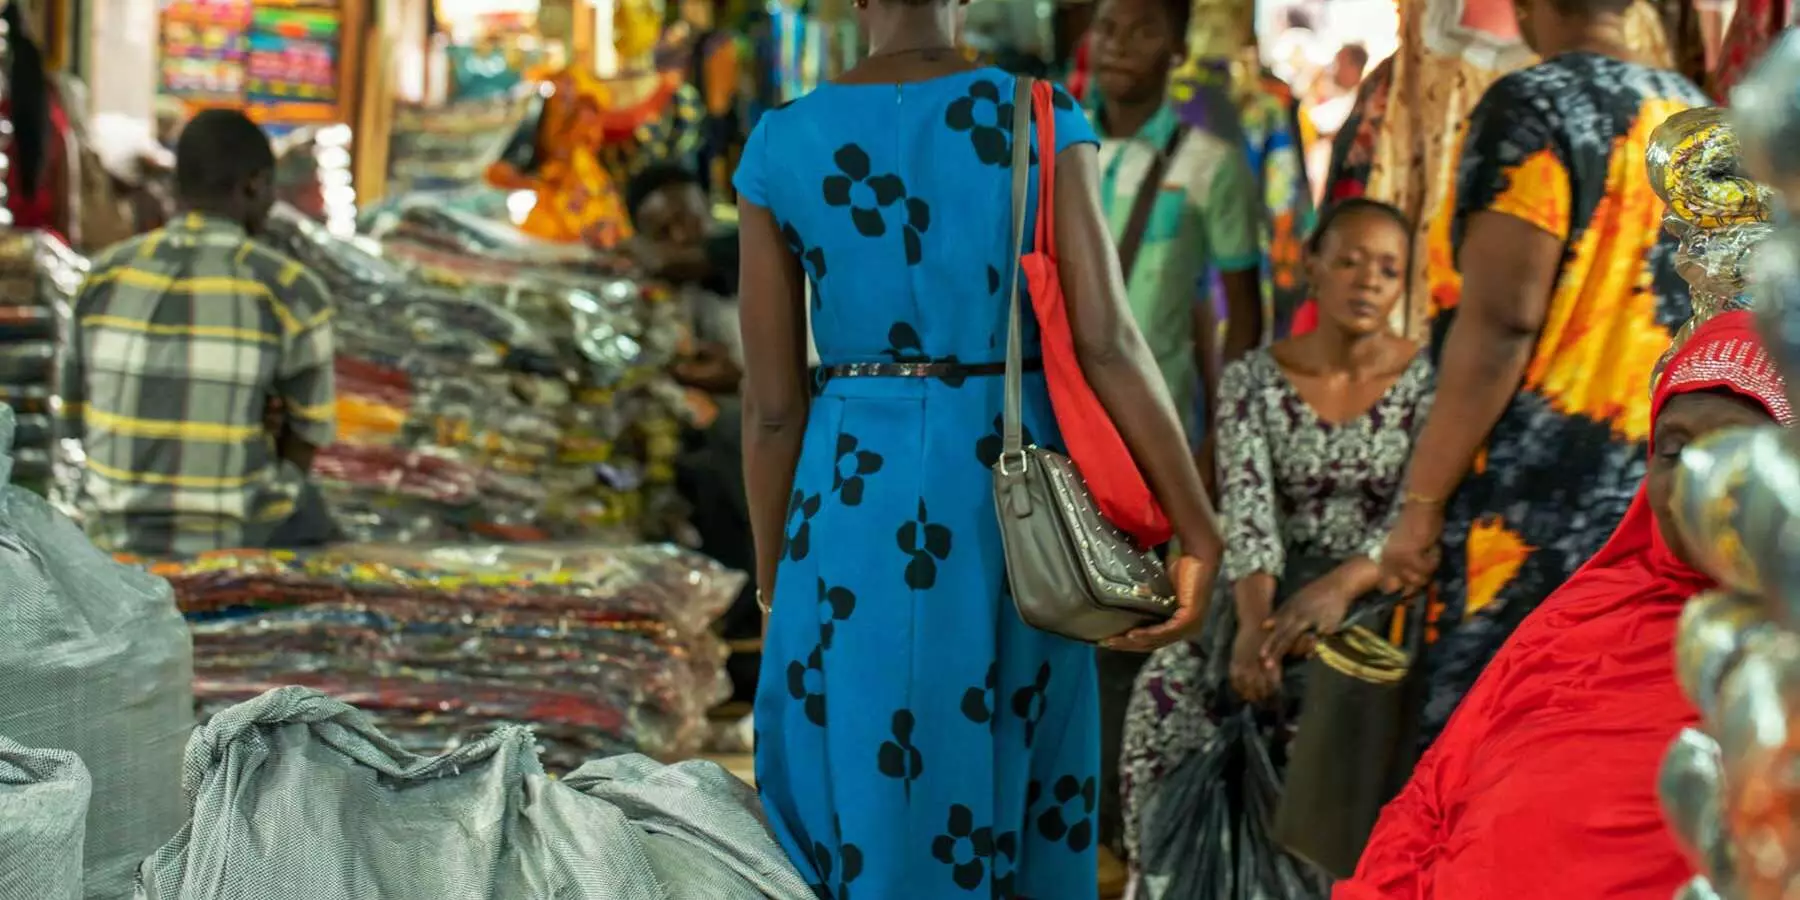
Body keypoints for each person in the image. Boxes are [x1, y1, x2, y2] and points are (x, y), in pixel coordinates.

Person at [733, 0, 1224, 891]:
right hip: (1008, 500)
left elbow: (770, 408)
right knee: (1013, 769)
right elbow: (1108, 339)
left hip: (851, 510)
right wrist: (1200, 526)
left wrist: (777, 580)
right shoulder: (1038, 117)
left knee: (866, 792)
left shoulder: (781, 143)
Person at [1339, 310, 1791, 900]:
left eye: (1730, 448)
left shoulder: (1784, 662)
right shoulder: (1584, 611)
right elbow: (1435, 792)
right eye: (1673, 449)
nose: (1691, 479)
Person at [1374, 0, 1709, 746]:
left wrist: (1421, 504)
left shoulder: (1532, 107)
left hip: (1528, 516)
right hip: (1651, 508)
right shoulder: (1696, 114)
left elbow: (1500, 326)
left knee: (1491, 752)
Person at [1121, 199, 1432, 893]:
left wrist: (1341, 586)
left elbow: (1417, 519)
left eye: (1388, 270)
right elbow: (1250, 513)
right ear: (1311, 267)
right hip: (1259, 601)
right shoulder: (1252, 380)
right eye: (1348, 261)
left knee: (1328, 737)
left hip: (1367, 620)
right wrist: (1255, 628)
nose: (1367, 282)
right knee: (1166, 690)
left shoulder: (1428, 384)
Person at [1084, 0, 1263, 855]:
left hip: (1152, 438)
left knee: (1128, 624)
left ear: (1178, 49)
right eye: (1108, 29)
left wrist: (1217, 439)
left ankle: (1113, 829)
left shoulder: (1210, 165)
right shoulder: (1050, 152)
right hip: (1053, 425)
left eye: (1143, 30)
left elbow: (1244, 313)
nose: (1119, 46)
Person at [59, 109, 337, 556]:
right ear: (255, 185)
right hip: (230, 543)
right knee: (319, 518)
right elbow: (310, 433)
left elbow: (72, 417)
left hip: (110, 541)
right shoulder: (290, 290)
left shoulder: (103, 277)